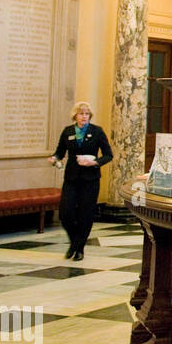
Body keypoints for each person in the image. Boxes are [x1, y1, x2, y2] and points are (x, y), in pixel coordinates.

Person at [47, 100, 113, 261]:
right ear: (75, 116)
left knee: (85, 213)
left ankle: (79, 248)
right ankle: (75, 242)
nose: (84, 117)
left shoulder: (96, 131)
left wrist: (95, 162)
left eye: (86, 114)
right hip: (71, 178)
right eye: (81, 114)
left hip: (90, 179)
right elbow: (60, 153)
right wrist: (54, 158)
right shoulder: (68, 131)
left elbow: (108, 155)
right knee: (65, 212)